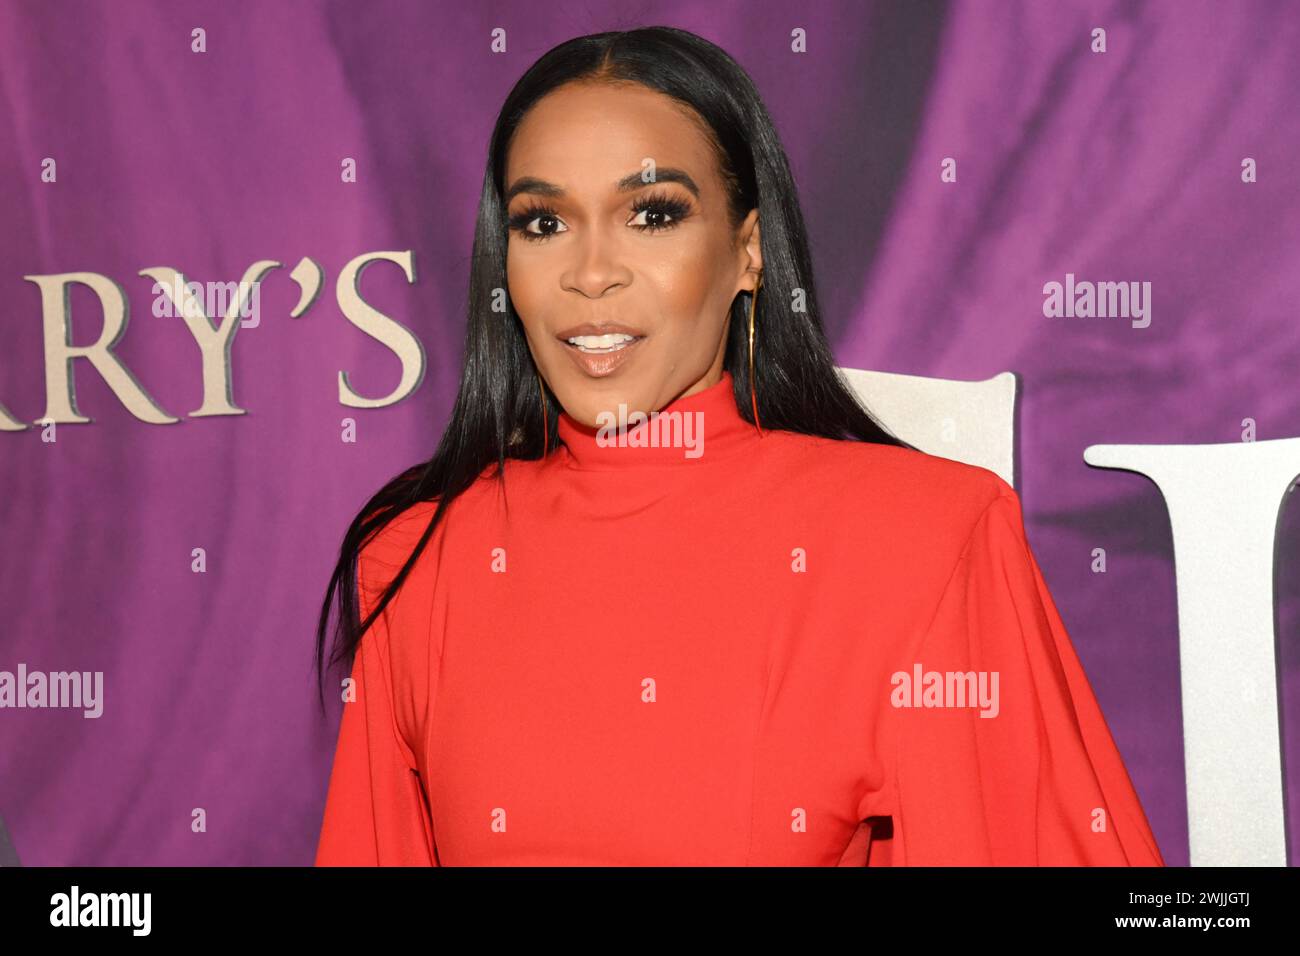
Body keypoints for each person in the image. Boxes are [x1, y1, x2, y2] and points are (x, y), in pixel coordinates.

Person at [313, 26, 1164, 866]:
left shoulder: (922, 537)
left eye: (651, 214)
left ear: (748, 253)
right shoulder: (419, 561)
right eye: (544, 223)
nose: (590, 272)